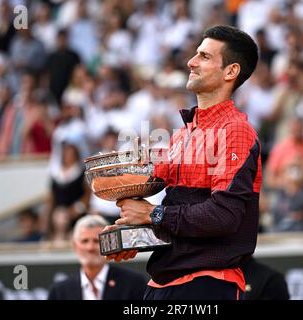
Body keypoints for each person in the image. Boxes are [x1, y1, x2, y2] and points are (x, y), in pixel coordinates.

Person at [105, 25, 261, 300]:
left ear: (230, 71)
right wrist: (133, 233)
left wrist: (153, 215)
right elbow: (181, 216)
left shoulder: (235, 131)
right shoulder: (182, 135)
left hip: (207, 284)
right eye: (195, 54)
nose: (191, 61)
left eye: (204, 56)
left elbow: (223, 216)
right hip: (163, 283)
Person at [47, 215, 147, 300]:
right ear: (75, 246)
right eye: (84, 241)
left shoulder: (134, 284)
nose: (90, 248)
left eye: (97, 241)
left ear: (110, 245)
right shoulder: (59, 291)